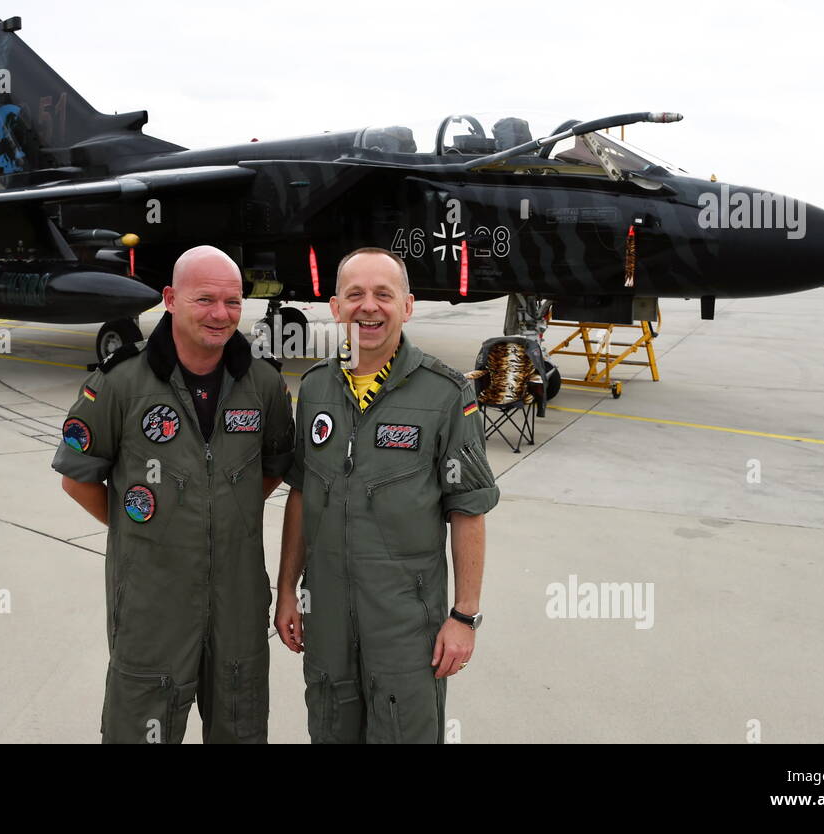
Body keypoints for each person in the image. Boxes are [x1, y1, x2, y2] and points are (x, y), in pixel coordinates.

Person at [54, 246, 294, 743]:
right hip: (151, 598)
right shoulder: (120, 381)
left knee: (241, 724)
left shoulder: (264, 383)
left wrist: (219, 512)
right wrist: (144, 526)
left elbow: (270, 472)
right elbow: (77, 477)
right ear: (170, 299)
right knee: (140, 726)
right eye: (205, 299)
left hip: (239, 597)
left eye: (232, 302)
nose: (220, 314)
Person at [274, 247, 498, 744]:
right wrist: (287, 589)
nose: (368, 307)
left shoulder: (445, 393)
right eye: (355, 295)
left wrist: (464, 616)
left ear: (408, 306)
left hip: (405, 626)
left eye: (383, 294)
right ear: (335, 307)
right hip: (326, 620)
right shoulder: (314, 389)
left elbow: (469, 509)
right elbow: (301, 493)